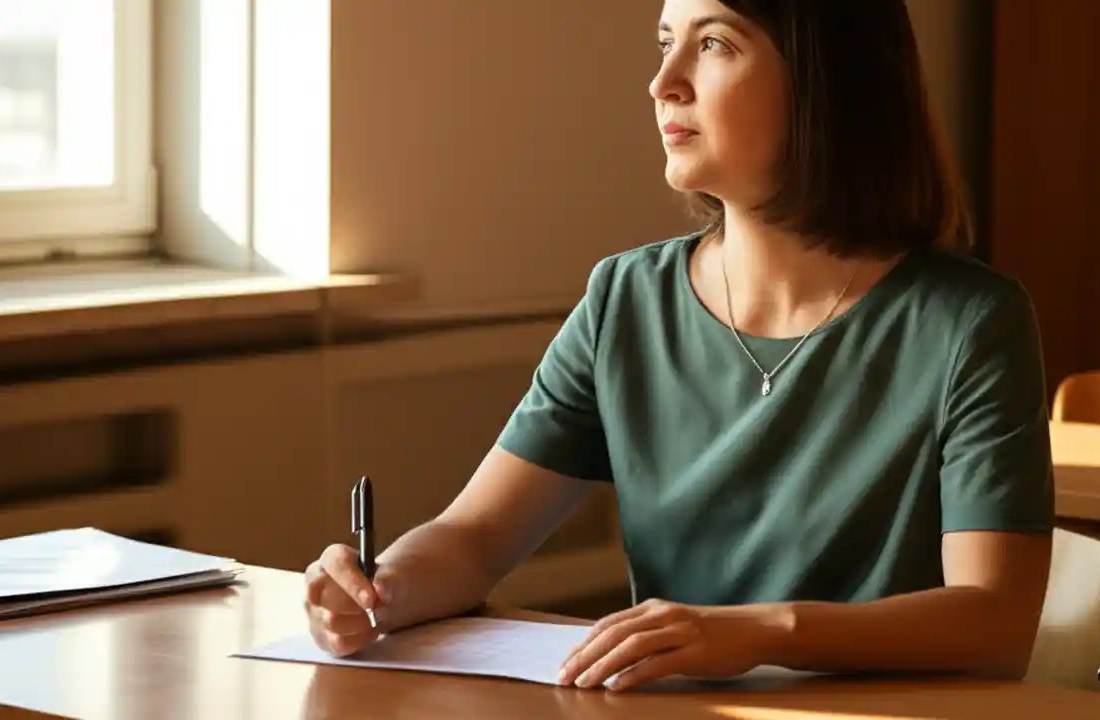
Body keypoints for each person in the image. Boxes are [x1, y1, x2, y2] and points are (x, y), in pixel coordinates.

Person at [304, 0, 1054, 692]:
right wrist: (381, 590)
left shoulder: (971, 322)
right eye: (667, 44)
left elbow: (994, 625)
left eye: (715, 44)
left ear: (828, 77)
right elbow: (473, 538)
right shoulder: (625, 299)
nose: (663, 82)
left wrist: (763, 631)